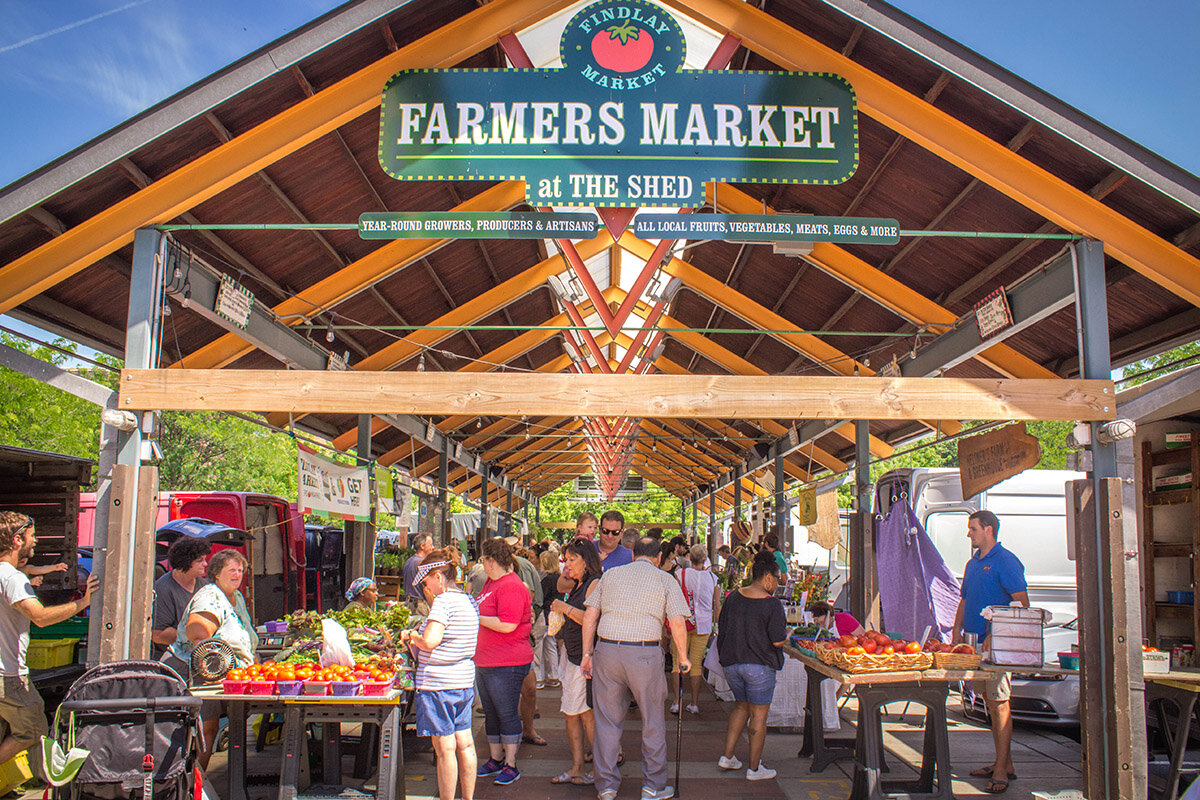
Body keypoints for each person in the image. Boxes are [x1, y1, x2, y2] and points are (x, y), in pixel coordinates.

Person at [581, 536, 691, 800]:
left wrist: (587, 654)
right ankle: (652, 786)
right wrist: (683, 657)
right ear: (657, 558)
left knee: (606, 721)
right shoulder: (665, 579)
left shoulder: (611, 575)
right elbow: (677, 622)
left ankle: (606, 786)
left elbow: (590, 615)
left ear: (633, 555)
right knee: (652, 721)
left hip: (607, 650)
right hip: (644, 652)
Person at [0, 513, 99, 765]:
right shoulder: (12, 578)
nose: (36, 541)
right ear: (17, 540)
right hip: (7, 675)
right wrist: (83, 602)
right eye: (32, 535)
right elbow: (40, 617)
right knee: (33, 729)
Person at [951, 510, 1028, 795]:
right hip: (972, 646)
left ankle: (1000, 769)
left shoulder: (1006, 561)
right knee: (989, 702)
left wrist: (996, 634)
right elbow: (964, 598)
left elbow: (1022, 604)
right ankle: (1004, 763)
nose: (968, 533)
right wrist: (956, 629)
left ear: (989, 530)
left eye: (972, 528)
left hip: (995, 648)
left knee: (999, 703)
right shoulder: (973, 563)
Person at [165, 549, 258, 770]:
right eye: (231, 570)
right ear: (216, 573)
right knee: (201, 733)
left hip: (218, 677)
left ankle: (198, 783)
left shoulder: (236, 597)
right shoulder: (211, 595)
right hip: (196, 674)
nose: (237, 574)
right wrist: (218, 661)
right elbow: (197, 631)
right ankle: (191, 785)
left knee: (209, 732)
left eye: (240, 570)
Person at [401, 549, 479, 800]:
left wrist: (413, 636)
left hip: (438, 684)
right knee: (465, 744)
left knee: (445, 748)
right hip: (464, 680)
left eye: (426, 581)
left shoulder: (443, 602)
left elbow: (430, 641)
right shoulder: (469, 600)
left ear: (437, 576)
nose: (427, 587)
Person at [715, 550, 787, 781]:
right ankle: (755, 769)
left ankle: (728, 757)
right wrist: (788, 635)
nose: (777, 584)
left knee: (740, 707)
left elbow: (722, 629)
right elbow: (777, 640)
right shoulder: (772, 604)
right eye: (777, 580)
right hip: (759, 666)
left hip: (732, 665)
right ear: (768, 578)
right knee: (758, 716)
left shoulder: (734, 597)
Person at [474, 538, 533, 786]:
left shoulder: (510, 585)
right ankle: (495, 758)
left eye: (483, 560)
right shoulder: (492, 581)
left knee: (506, 710)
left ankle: (511, 763)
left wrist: (475, 615)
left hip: (507, 661)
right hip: (487, 660)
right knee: (491, 711)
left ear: (490, 560)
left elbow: (508, 624)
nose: (482, 564)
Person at [547, 539, 603, 785]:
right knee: (572, 713)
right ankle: (578, 766)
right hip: (572, 656)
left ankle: (600, 771)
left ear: (586, 560)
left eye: (571, 560)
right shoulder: (578, 584)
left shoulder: (594, 584)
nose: (567, 564)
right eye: (565, 560)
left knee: (586, 715)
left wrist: (564, 608)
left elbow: (592, 619)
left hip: (585, 659)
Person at [670, 543, 721, 715]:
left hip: (682, 624)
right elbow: (717, 606)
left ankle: (676, 702)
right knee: (696, 663)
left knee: (678, 663)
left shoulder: (680, 574)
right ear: (705, 558)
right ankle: (694, 703)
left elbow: (674, 599)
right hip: (704, 624)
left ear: (690, 557)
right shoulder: (713, 578)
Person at [507, 539, 547, 748]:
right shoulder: (491, 583)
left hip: (521, 642)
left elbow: (531, 598)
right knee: (513, 690)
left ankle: (526, 729)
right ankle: (507, 737)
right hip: (508, 645)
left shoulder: (520, 578)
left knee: (528, 687)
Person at [151, 536, 211, 659]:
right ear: (186, 561)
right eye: (200, 560)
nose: (205, 564)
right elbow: (157, 634)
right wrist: (193, 637)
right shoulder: (163, 588)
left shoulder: (205, 587)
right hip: (171, 660)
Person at [536, 550, 561, 689]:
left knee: (539, 646)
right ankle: (553, 676)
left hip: (545, 614)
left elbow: (541, 598)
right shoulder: (559, 578)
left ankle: (539, 677)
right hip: (554, 615)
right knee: (551, 645)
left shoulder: (546, 580)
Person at [404, 533, 434, 600]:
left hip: (409, 601)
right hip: (420, 604)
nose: (433, 548)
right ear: (422, 546)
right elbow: (426, 589)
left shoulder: (409, 561)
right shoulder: (423, 564)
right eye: (431, 545)